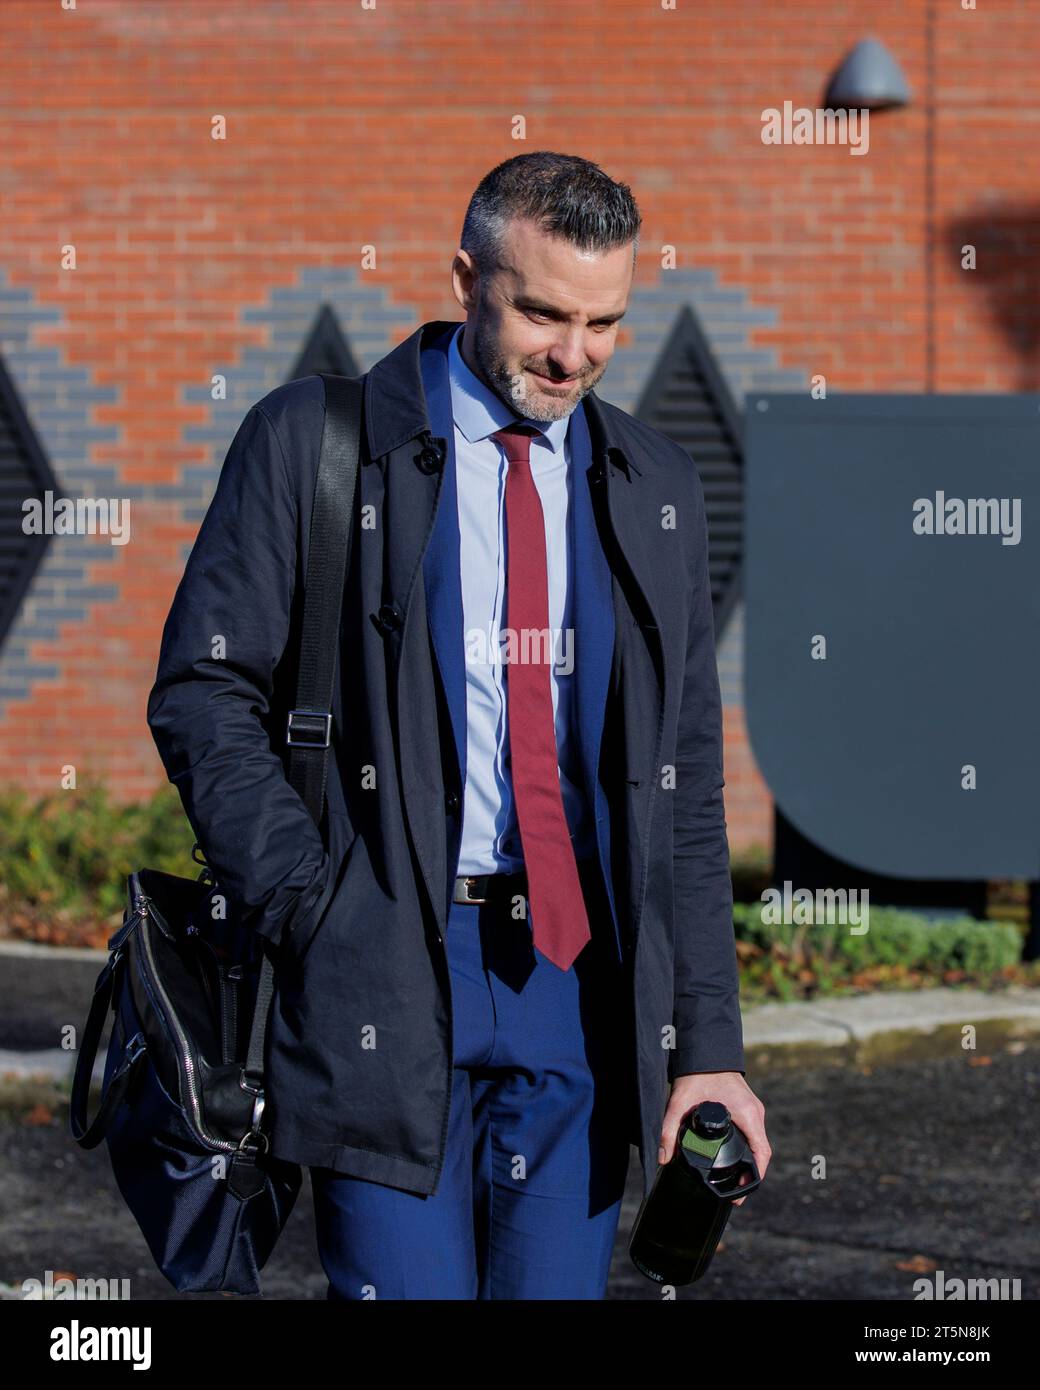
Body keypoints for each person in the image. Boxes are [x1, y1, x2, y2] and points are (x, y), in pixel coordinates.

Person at [147, 150, 771, 1300]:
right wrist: (314, 904)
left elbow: (681, 785)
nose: (571, 354)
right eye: (541, 311)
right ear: (464, 277)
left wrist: (710, 1047)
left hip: (575, 986)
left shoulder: (656, 483)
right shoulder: (312, 443)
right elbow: (203, 688)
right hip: (382, 971)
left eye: (604, 322)